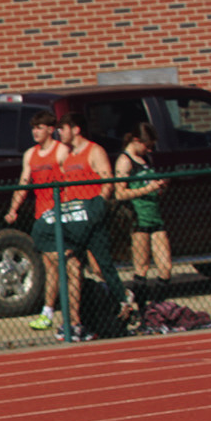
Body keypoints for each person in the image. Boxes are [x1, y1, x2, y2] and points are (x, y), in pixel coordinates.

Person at [56, 111, 132, 339]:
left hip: (93, 219)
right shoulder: (67, 156)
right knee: (72, 270)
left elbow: (107, 180)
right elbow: (67, 187)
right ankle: (73, 322)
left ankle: (124, 299)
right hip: (74, 222)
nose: (60, 132)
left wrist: (98, 207)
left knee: (100, 268)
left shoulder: (94, 151)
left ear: (76, 129)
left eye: (64, 128)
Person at [5, 110, 69, 331]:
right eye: (33, 128)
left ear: (51, 130)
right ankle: (49, 311)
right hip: (42, 216)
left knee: (70, 263)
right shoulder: (30, 155)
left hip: (63, 215)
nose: (35, 132)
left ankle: (108, 297)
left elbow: (71, 183)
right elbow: (24, 184)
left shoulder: (61, 151)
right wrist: (13, 209)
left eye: (39, 127)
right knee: (50, 265)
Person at [114, 123, 170, 310]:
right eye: (147, 146)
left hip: (155, 216)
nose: (149, 150)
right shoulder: (125, 161)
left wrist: (159, 187)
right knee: (142, 267)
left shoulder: (146, 159)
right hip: (138, 219)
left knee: (165, 267)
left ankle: (159, 307)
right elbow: (120, 193)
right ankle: (143, 310)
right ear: (136, 141)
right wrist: (147, 188)